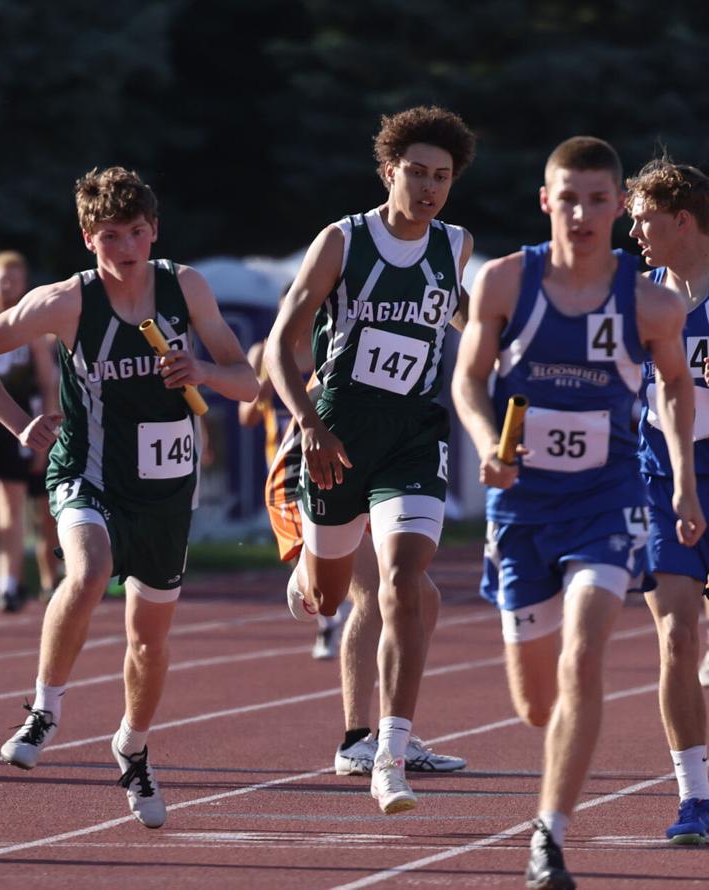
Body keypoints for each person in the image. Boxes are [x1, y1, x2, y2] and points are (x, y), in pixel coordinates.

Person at [0, 166, 258, 828]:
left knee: (148, 639)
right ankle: (45, 707)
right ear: (89, 239)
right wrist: (19, 422)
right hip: (86, 473)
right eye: (111, 235)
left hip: (167, 487)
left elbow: (249, 382)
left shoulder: (187, 287)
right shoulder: (67, 301)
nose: (126, 249)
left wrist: (203, 370)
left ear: (155, 232)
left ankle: (133, 746)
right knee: (87, 570)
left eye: (137, 233)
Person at [451, 137, 703, 889]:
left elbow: (678, 389)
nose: (586, 213)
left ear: (616, 203)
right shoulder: (501, 283)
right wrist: (482, 442)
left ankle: (548, 835)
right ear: (545, 201)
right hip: (522, 503)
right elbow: (467, 380)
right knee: (536, 702)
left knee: (586, 651)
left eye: (601, 200)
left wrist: (685, 477)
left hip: (614, 494)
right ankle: (562, 761)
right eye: (571, 198)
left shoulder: (650, 301)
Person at [265, 106, 475, 815]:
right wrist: (307, 425)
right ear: (389, 171)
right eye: (415, 172)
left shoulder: (456, 244)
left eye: (441, 176)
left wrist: (505, 347)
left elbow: (462, 316)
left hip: (413, 435)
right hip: (337, 435)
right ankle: (308, 563)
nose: (428, 187)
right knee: (329, 598)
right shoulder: (344, 241)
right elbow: (280, 343)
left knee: (405, 580)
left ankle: (387, 751)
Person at [264, 416, 467, 776]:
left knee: (424, 599)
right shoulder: (339, 371)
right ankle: (354, 741)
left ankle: (392, 737)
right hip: (308, 479)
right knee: (372, 595)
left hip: (362, 477)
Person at [625, 158, 709, 844]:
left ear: (684, 219)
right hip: (659, 481)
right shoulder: (636, 298)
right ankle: (696, 799)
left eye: (645, 216)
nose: (633, 229)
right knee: (677, 637)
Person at [240, 313, 351, 660]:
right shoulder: (264, 351)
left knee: (331, 541)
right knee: (298, 548)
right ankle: (323, 607)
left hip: (324, 456)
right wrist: (268, 382)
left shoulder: (325, 344)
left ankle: (330, 622)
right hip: (284, 461)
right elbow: (247, 416)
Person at [0, 251, 60, 612]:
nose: (7, 285)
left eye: (15, 279)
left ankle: (18, 582)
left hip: (22, 424)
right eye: (1, 277)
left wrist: (48, 434)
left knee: (21, 508)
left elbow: (47, 381)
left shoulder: (30, 328)